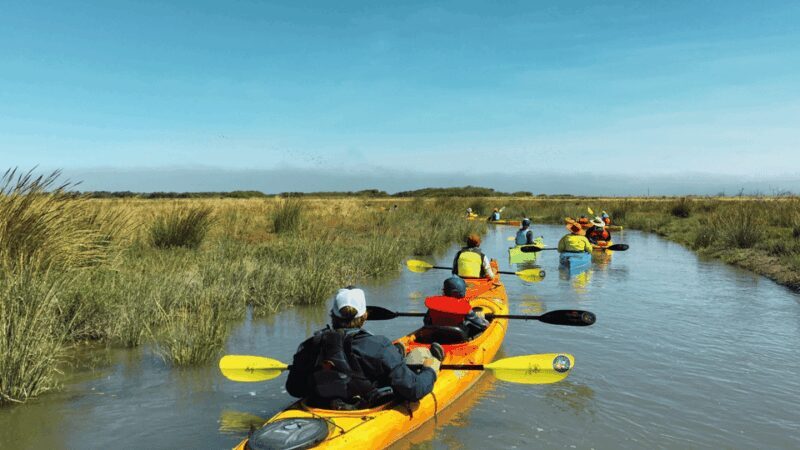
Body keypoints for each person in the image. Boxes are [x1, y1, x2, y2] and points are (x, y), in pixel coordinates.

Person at [286, 287, 444, 410]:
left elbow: (294, 389)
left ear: (332, 315)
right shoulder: (379, 345)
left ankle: (397, 356)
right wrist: (429, 371)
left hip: (321, 405)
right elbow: (414, 390)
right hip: (365, 407)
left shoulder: (309, 345)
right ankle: (398, 359)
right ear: (365, 316)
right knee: (415, 361)